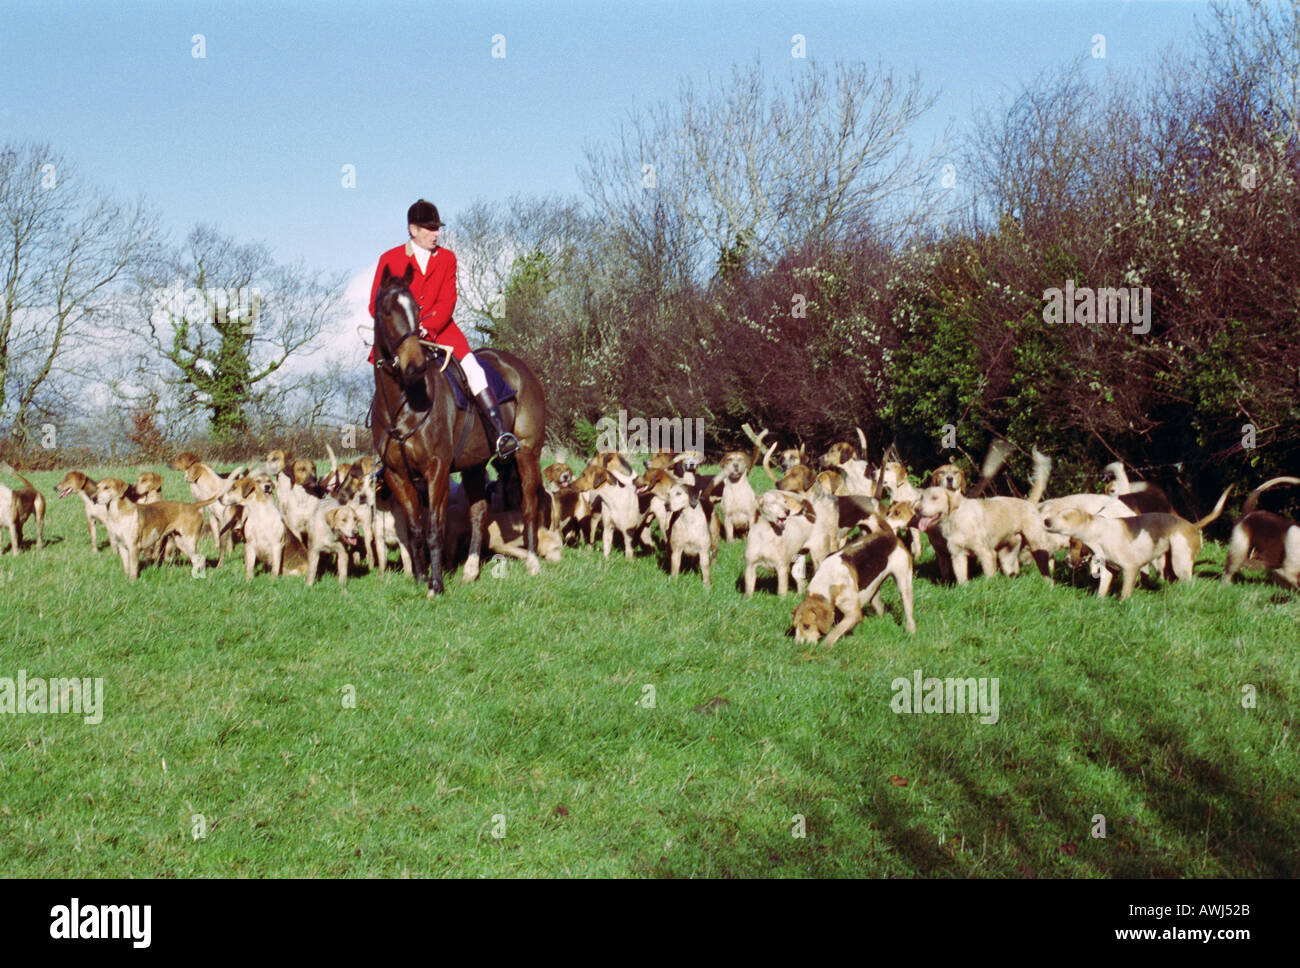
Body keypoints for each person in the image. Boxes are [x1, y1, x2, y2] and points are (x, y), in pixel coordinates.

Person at [368, 199, 518, 459]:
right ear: (413, 230)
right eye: (430, 228)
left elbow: (448, 300)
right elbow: (375, 305)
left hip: (442, 331)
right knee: (385, 384)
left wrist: (428, 327)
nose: (436, 233)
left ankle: (500, 433)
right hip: (402, 337)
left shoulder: (447, 258)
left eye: (437, 228)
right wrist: (406, 330)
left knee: (473, 370)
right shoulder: (389, 259)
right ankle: (385, 454)